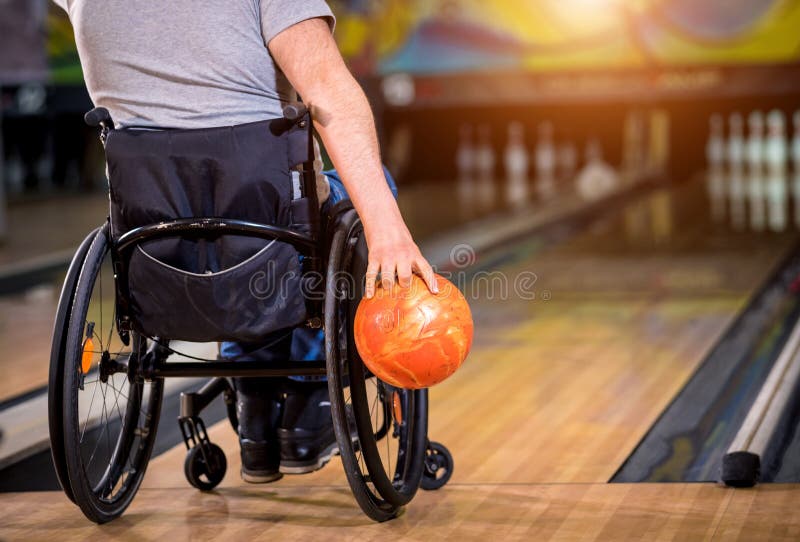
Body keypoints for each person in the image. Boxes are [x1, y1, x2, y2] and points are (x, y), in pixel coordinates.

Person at [53, 0, 438, 482]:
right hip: (268, 222)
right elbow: (329, 93)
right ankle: (308, 403)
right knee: (349, 201)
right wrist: (388, 231)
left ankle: (255, 417)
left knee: (229, 233)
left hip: (154, 229)